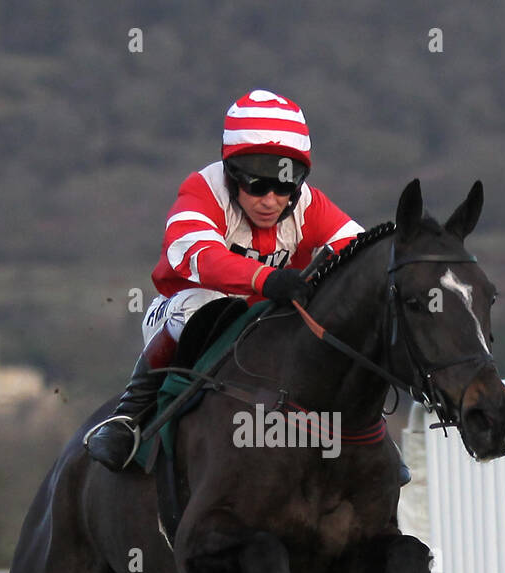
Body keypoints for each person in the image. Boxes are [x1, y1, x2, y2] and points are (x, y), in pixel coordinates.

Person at [85, 89, 410, 481]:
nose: (270, 200)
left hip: (267, 320)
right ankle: (130, 413)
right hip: (185, 311)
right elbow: (196, 255)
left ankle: (370, 434)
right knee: (200, 304)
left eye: (284, 185)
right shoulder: (202, 190)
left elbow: (361, 256)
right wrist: (266, 278)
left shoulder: (310, 205)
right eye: (256, 184)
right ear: (232, 175)